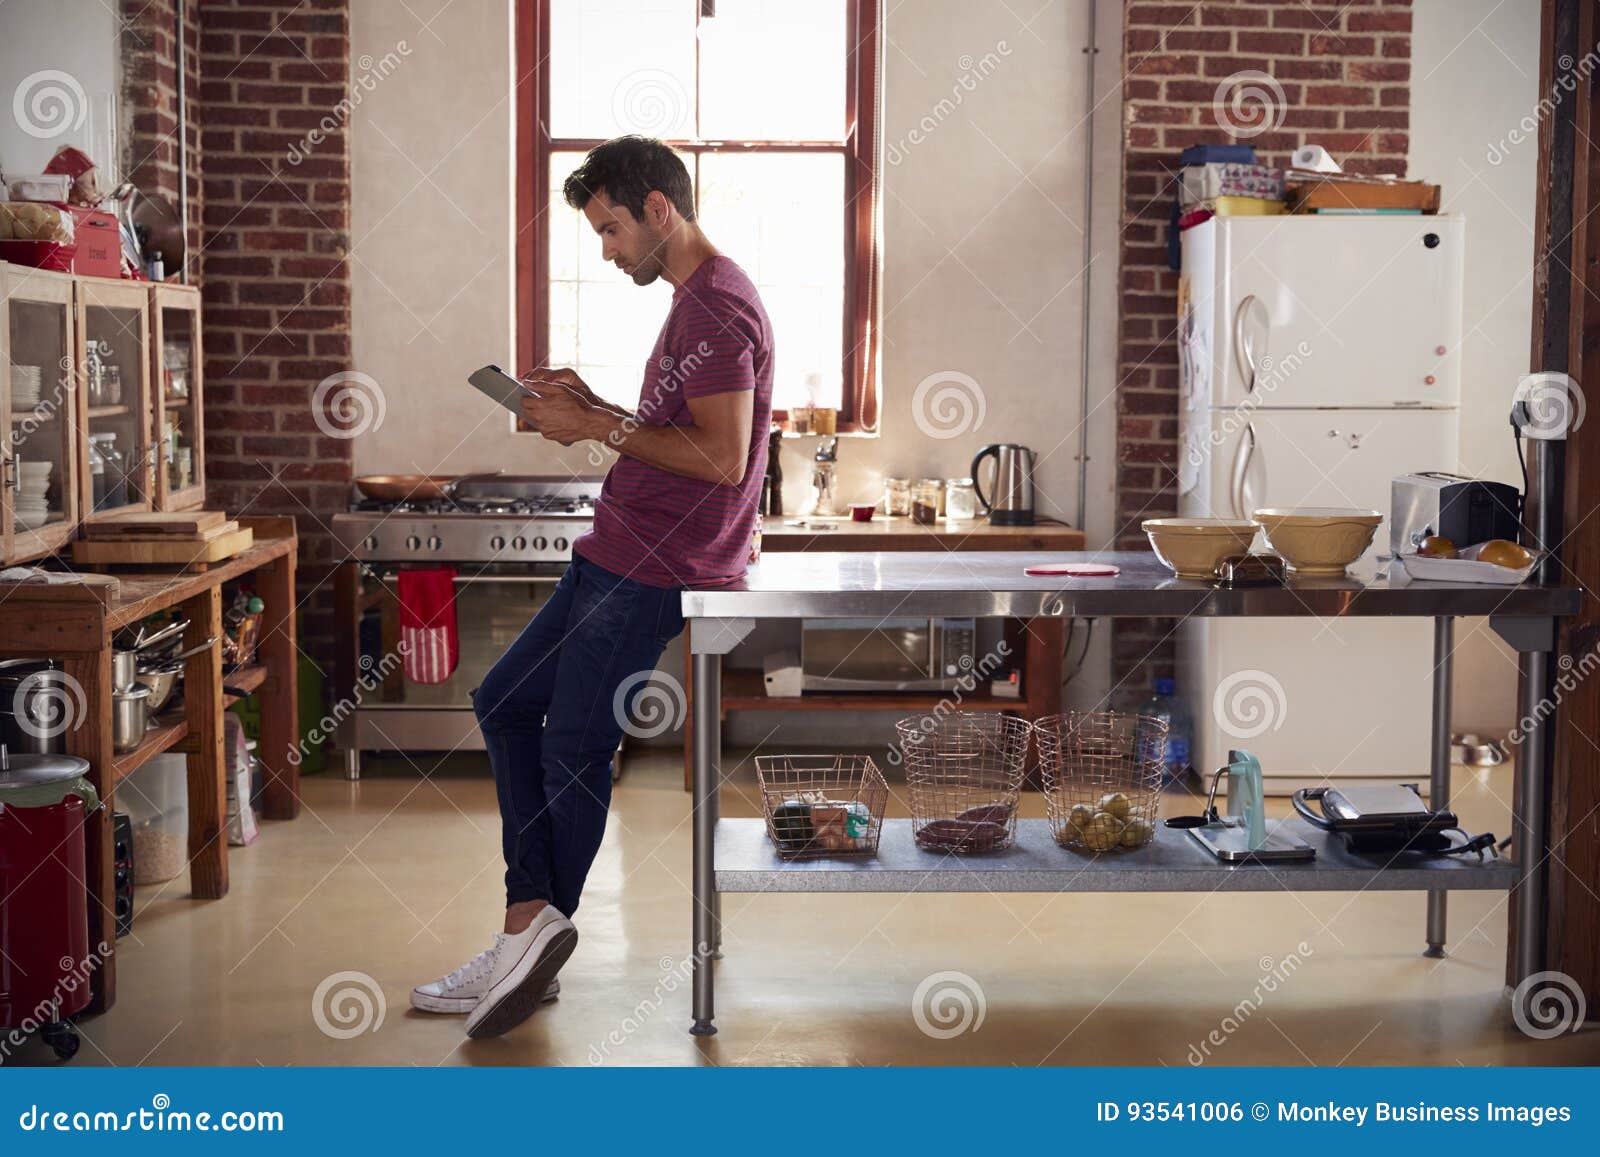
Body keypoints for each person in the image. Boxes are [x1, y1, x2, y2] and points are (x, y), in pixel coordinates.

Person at [410, 136, 774, 1039]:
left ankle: (524, 943)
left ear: (660, 209)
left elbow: (725, 461)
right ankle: (533, 934)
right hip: (617, 549)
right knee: (502, 701)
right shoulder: (694, 302)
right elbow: (683, 435)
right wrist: (595, 409)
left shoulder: (718, 309)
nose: (607, 252)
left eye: (612, 229)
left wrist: (593, 430)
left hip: (655, 565)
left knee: (572, 741)